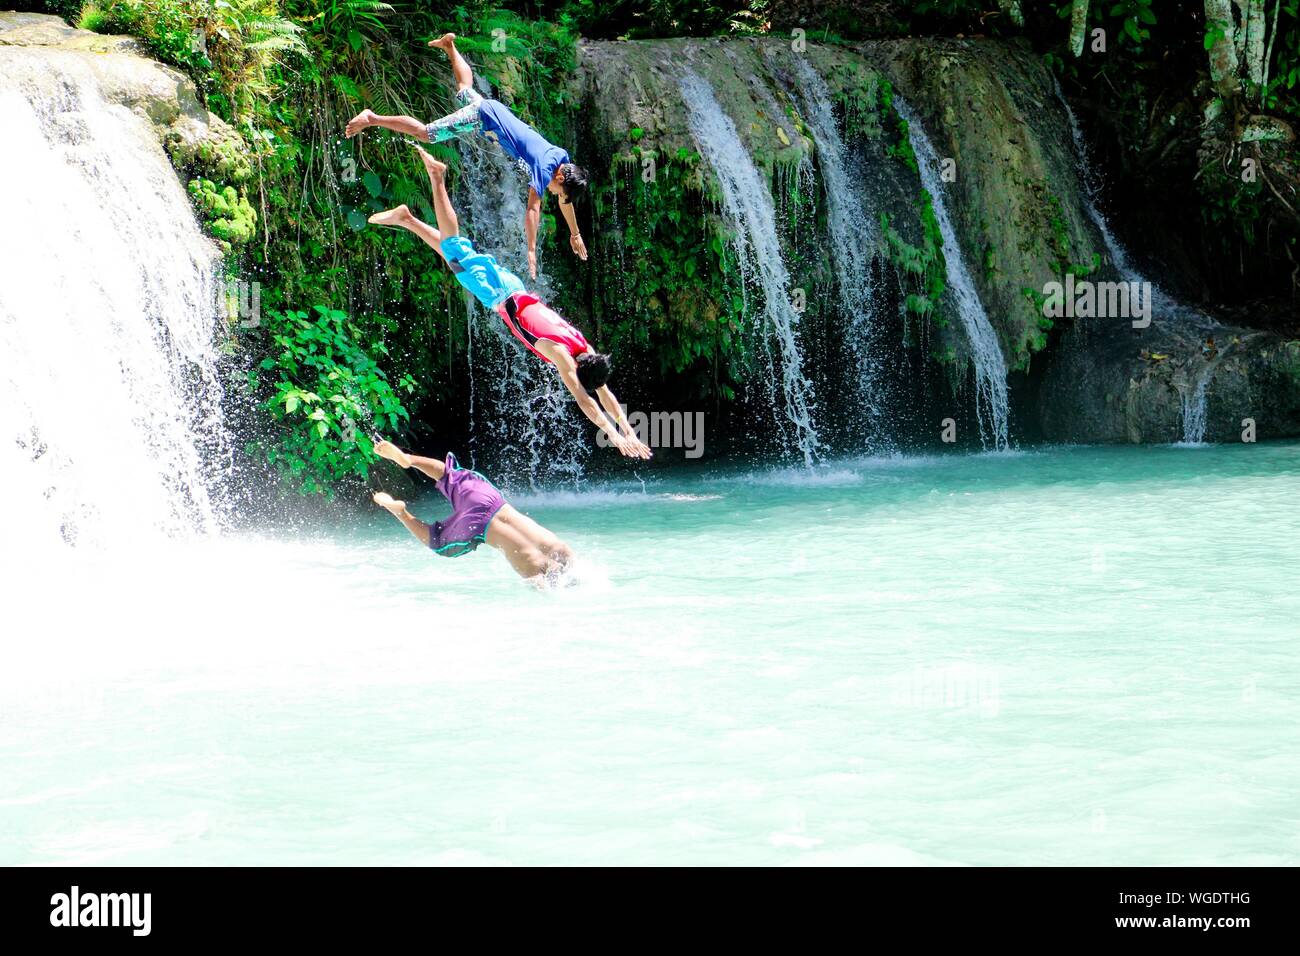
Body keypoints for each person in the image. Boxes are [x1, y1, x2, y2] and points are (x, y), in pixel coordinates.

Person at [370, 145, 652, 460]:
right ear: (575, 369)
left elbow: (603, 392)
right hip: (499, 294)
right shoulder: (561, 354)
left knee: (459, 257)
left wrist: (629, 431)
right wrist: (614, 437)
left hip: (514, 289)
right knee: (454, 247)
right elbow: (587, 402)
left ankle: (406, 219)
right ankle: (438, 177)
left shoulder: (584, 350)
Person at [345, 32, 587, 279]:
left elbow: (564, 201)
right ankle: (372, 117)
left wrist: (575, 233)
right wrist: (532, 249)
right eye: (556, 191)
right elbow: (532, 209)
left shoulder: (563, 160)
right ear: (558, 178)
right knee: (426, 133)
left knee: (464, 89)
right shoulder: (544, 167)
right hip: (483, 117)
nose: (554, 194)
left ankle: (449, 47)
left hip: (492, 112)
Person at [370, 439, 572, 583]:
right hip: (479, 526)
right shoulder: (535, 570)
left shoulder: (560, 549)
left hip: (488, 499)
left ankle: (408, 459)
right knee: (438, 542)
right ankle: (401, 513)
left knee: (448, 474)